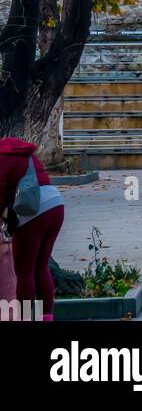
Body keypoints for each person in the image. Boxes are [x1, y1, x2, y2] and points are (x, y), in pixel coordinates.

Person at [0, 137, 65, 321]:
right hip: (55, 204)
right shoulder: (25, 153)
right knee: (41, 267)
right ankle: (46, 317)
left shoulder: (2, 158)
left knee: (24, 272)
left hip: (33, 211)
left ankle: (26, 318)